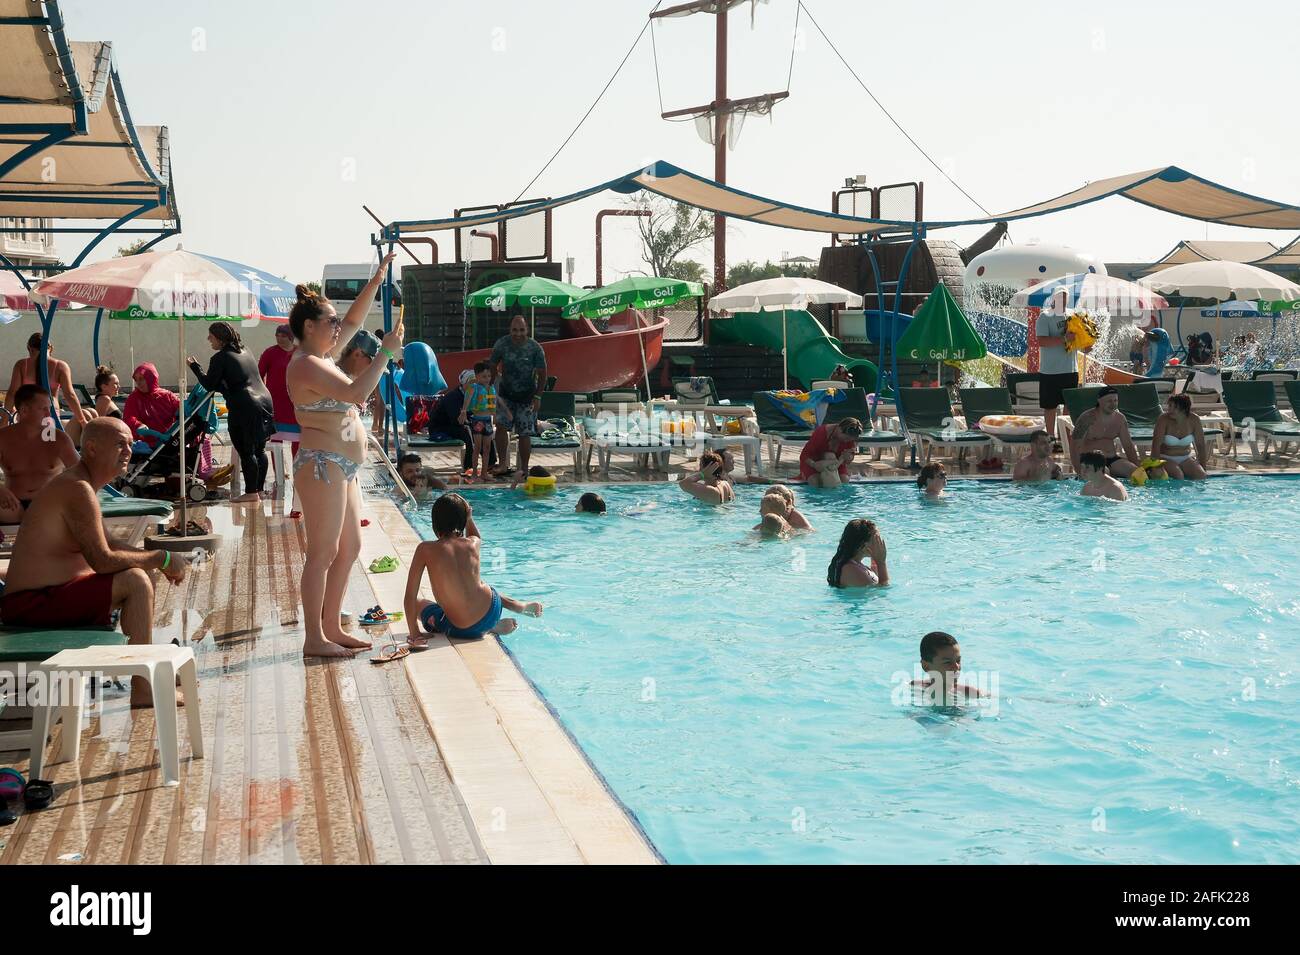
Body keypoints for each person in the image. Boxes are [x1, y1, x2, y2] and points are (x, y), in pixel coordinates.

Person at [0, 417, 186, 707]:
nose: (128, 450)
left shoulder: (81, 485)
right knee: (136, 581)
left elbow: (110, 544)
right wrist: (159, 558)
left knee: (141, 575)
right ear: (92, 448)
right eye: (120, 444)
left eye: (130, 443)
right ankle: (142, 687)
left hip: (46, 597)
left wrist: (154, 563)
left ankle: (142, 663)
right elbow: (102, 560)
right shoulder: (77, 489)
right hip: (30, 605)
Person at [286, 254, 403, 658]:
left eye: (337, 322)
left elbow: (354, 320)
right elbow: (357, 394)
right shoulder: (305, 366)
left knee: (349, 547)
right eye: (331, 322)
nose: (340, 328)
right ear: (309, 327)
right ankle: (313, 637)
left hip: (342, 467)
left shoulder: (322, 357)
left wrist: (376, 280)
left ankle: (332, 626)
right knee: (322, 552)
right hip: (322, 465)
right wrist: (385, 354)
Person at [403, 492, 542, 646]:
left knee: (417, 604)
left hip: (461, 628)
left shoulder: (425, 549)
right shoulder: (473, 543)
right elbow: (476, 535)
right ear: (462, 521)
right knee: (477, 585)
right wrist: (469, 517)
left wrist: (414, 633)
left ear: (435, 523)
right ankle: (515, 607)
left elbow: (410, 595)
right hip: (493, 609)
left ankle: (490, 629)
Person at [187, 321, 276, 504]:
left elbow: (209, 384)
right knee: (259, 449)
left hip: (245, 406)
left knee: (246, 450)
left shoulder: (220, 357)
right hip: (265, 401)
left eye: (211, 336)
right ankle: (258, 489)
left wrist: (195, 368)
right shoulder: (245, 351)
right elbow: (232, 381)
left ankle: (251, 493)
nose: (208, 340)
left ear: (219, 339)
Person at [0, 385, 78, 523]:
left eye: (50, 408)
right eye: (43, 409)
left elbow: (82, 473)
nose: (49, 414)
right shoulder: (3, 438)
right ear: (24, 411)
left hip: (48, 504)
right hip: (13, 506)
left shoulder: (59, 439)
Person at [4, 333, 92, 444]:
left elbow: (12, 393)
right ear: (50, 348)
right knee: (48, 447)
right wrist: (82, 421)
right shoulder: (60, 366)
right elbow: (69, 395)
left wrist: (4, 420)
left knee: (30, 446)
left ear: (29, 348)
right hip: (49, 414)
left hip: (27, 414)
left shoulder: (21, 365)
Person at [490, 314, 547, 480]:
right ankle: (502, 463)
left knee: (524, 433)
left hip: (527, 397)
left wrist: (538, 397)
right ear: (510, 329)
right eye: (515, 330)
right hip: (505, 395)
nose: (518, 333)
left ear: (527, 330)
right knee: (501, 427)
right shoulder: (502, 344)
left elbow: (543, 374)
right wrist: (490, 388)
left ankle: (524, 468)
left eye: (521, 330)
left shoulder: (535, 348)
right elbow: (492, 365)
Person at [1034, 291, 1084, 444]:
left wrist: (1086, 343)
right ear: (1053, 300)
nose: (1062, 301)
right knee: (1050, 407)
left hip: (1070, 370)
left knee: (1068, 406)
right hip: (1050, 371)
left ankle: (1066, 439)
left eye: (1065, 298)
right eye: (1059, 298)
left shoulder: (1073, 316)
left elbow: (1079, 340)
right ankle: (1050, 438)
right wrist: (1064, 338)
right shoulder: (1045, 316)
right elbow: (1041, 341)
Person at [1069, 386, 1139, 479]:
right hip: (1090, 460)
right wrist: (1079, 470)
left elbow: (1128, 446)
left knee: (1135, 473)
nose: (1113, 404)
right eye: (1109, 401)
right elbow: (1074, 447)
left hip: (1112, 459)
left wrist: (1138, 468)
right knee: (1103, 473)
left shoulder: (1120, 419)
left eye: (1115, 401)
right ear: (1099, 401)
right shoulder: (1087, 418)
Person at [258, 323, 300, 458]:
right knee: (276, 440)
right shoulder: (270, 353)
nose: (279, 338)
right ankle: (279, 474)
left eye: (283, 336)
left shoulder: (299, 352)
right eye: (277, 335)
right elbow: (259, 376)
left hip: (295, 403)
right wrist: (262, 396)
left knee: (298, 441)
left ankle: (297, 472)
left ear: (291, 337)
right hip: (275, 403)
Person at [910, 631, 984, 702]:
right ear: (926, 666)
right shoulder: (915, 687)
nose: (956, 667)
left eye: (958, 660)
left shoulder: (971, 693)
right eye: (947, 662)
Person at [122, 362, 180, 451]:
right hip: (146, 445)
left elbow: (181, 412)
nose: (138, 383)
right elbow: (128, 417)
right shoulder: (133, 398)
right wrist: (137, 425)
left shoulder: (167, 395)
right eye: (136, 380)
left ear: (151, 377)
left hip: (168, 441)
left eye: (141, 379)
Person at [1150, 393, 1209, 480]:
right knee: (1178, 475)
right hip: (1165, 457)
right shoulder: (1163, 419)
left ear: (1184, 408)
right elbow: (1155, 445)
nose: (1170, 409)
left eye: (1174, 407)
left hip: (1185, 458)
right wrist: (1156, 467)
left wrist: (1203, 467)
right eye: (1169, 406)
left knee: (1201, 476)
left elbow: (1200, 445)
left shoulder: (1194, 420)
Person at [459, 360, 497, 481]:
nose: (487, 379)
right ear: (477, 377)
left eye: (489, 376)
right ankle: (475, 473)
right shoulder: (473, 388)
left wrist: (495, 416)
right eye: (484, 376)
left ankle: (484, 473)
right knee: (477, 447)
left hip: (487, 420)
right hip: (478, 421)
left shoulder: (491, 389)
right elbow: (467, 399)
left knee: (487, 448)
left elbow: (493, 403)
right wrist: (463, 411)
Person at [799, 417, 862, 488]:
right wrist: (814, 464)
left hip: (835, 463)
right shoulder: (821, 433)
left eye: (850, 439)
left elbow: (848, 461)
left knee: (844, 480)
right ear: (839, 429)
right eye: (846, 438)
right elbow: (804, 455)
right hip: (813, 461)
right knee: (814, 482)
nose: (846, 441)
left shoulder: (850, 438)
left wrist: (848, 457)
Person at [826, 518, 889, 588]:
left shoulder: (855, 565)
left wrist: (875, 561)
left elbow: (874, 581)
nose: (879, 543)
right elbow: (882, 590)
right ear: (863, 544)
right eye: (876, 539)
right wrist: (881, 563)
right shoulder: (851, 570)